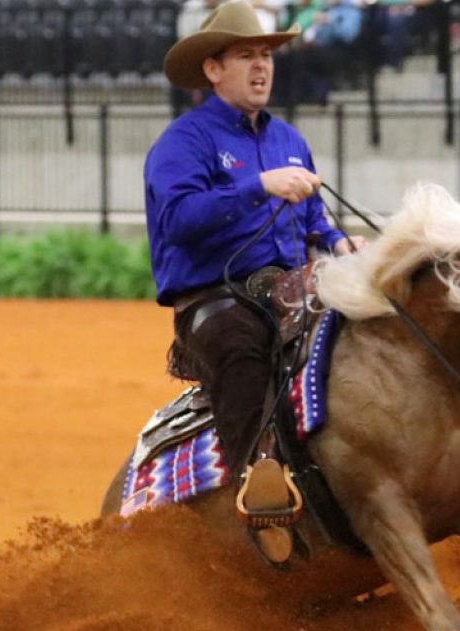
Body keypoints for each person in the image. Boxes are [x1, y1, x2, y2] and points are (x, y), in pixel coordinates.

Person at [145, 0, 363, 562]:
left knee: (367, 334)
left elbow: (313, 217)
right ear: (213, 70)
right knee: (242, 350)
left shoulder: (289, 137)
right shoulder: (183, 142)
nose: (262, 66)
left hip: (292, 283)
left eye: (266, 55)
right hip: (214, 296)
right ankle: (256, 488)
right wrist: (257, 185)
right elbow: (178, 221)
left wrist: (340, 243)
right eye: (246, 55)